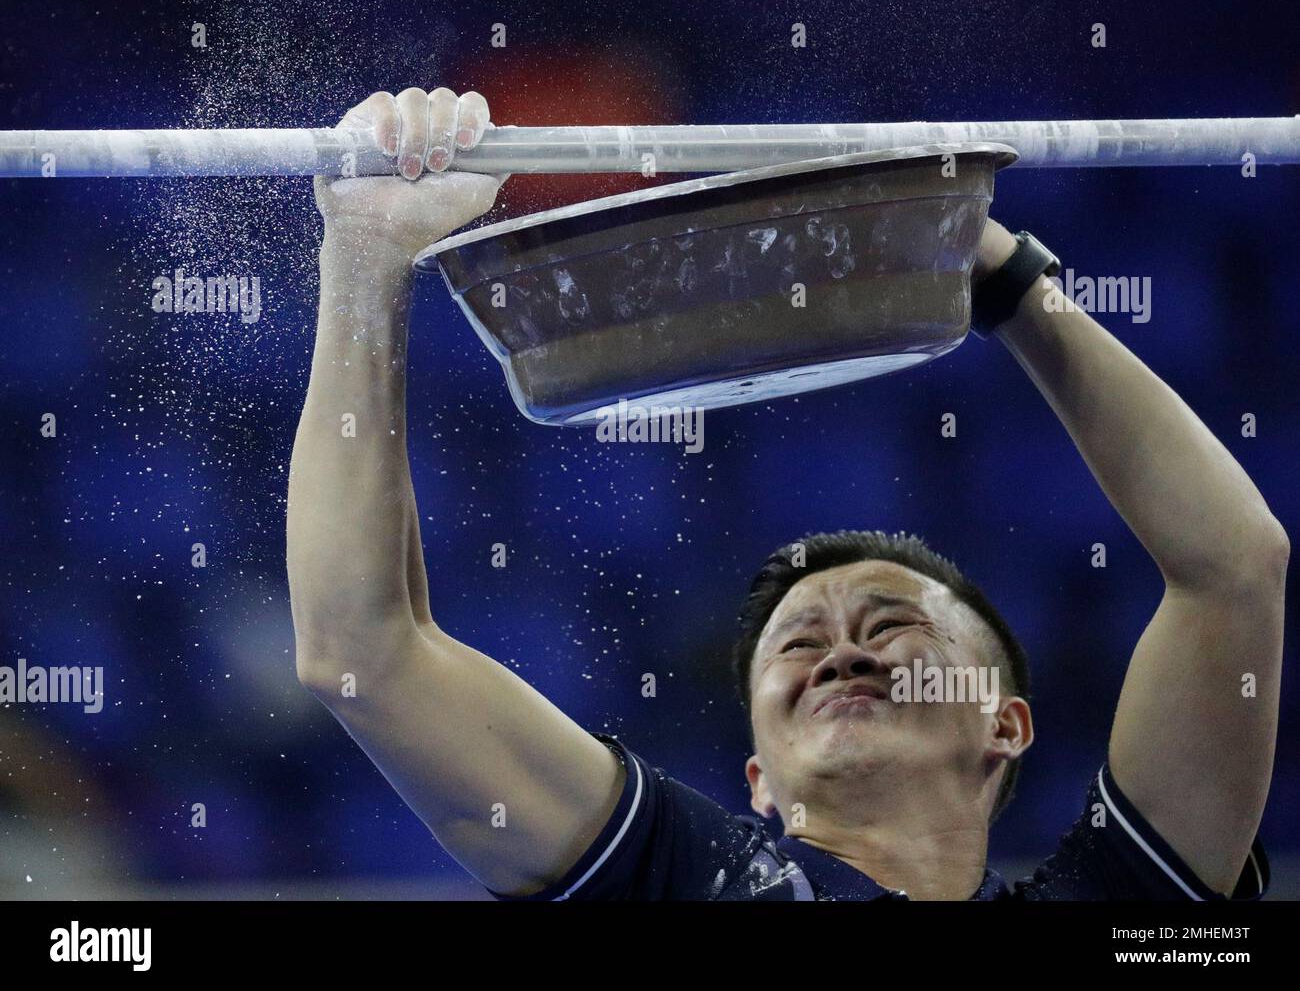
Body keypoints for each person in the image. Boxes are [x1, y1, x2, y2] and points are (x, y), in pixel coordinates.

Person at [287, 87, 1287, 900]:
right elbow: (362, 656)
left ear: (1004, 724)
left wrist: (1000, 273)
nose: (844, 649)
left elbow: (1237, 570)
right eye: (799, 646)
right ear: (757, 779)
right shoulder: (687, 879)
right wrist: (367, 258)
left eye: (893, 624)